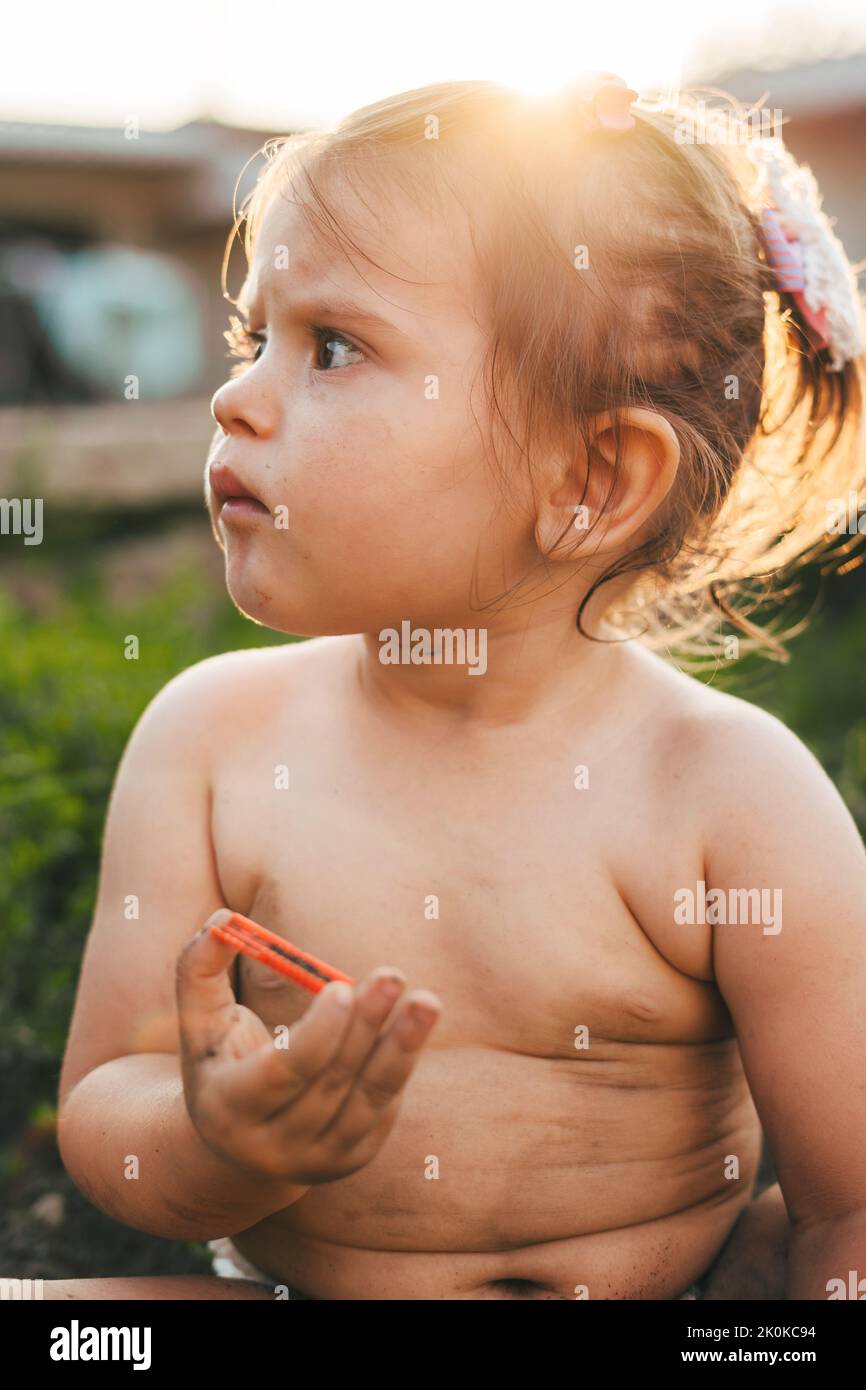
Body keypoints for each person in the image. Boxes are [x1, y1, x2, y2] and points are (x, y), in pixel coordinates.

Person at [49, 75, 865, 1300]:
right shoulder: (214, 742)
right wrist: (221, 1145)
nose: (234, 396)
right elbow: (108, 1105)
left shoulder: (725, 795)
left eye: (333, 345)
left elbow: (846, 1204)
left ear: (592, 477)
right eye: (249, 337)